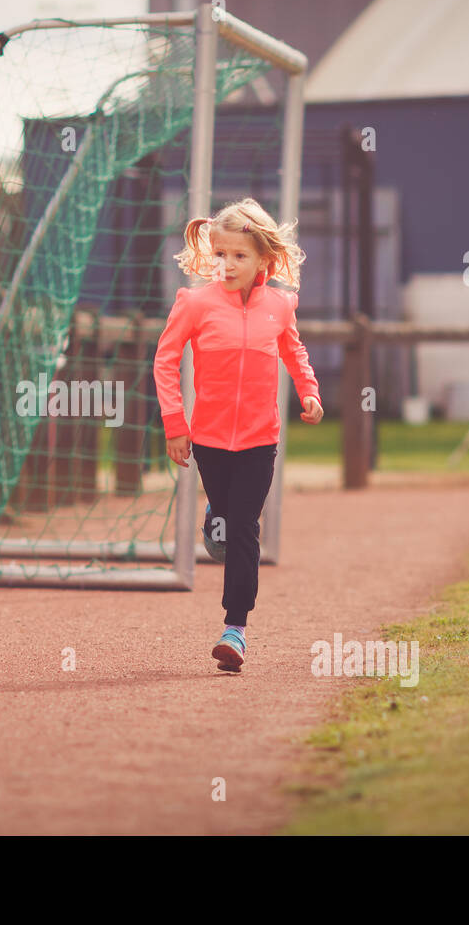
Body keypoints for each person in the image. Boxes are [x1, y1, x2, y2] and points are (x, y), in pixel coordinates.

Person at [153, 197, 324, 672]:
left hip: (259, 440)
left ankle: (235, 629)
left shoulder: (280, 306)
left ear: (264, 259)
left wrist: (309, 391)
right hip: (206, 439)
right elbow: (165, 361)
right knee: (226, 521)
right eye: (220, 254)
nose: (226, 265)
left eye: (239, 256)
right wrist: (175, 425)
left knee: (246, 528)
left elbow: (295, 354)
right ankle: (216, 514)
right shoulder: (195, 302)